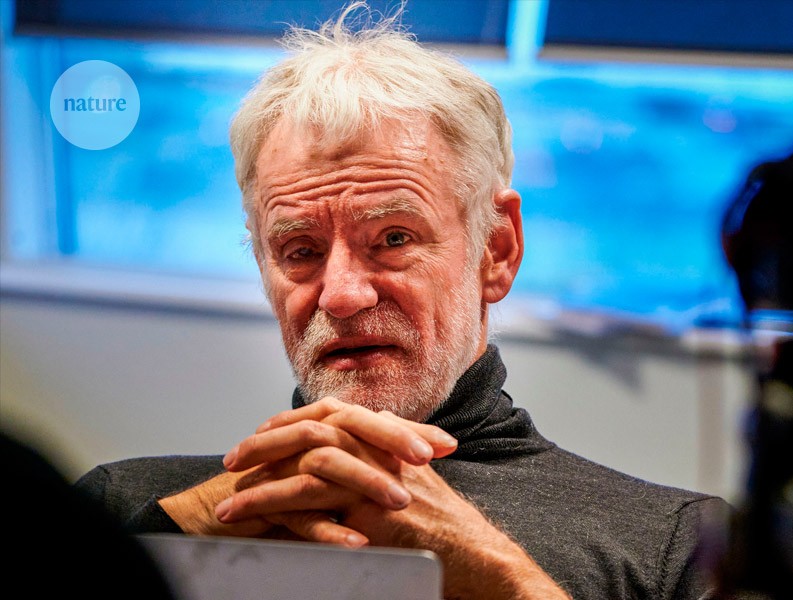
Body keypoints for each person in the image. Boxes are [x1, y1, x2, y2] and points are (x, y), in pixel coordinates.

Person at [76, 3, 728, 598]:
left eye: (393, 238)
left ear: (496, 250)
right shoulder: (121, 505)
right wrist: (174, 531)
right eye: (300, 250)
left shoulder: (680, 549)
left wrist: (502, 578)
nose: (342, 295)